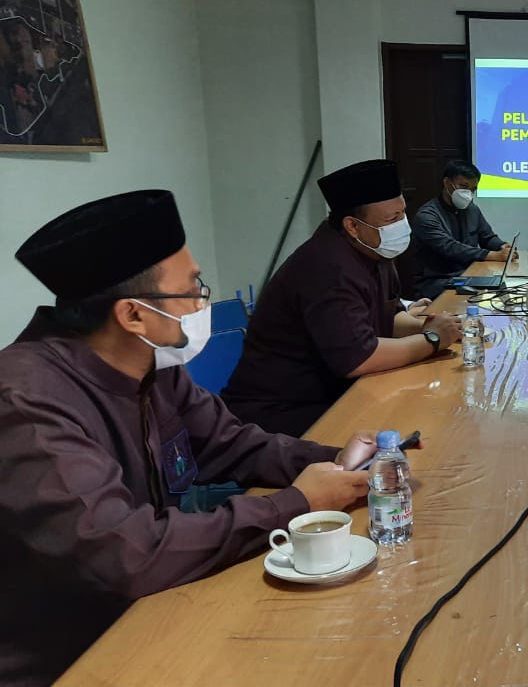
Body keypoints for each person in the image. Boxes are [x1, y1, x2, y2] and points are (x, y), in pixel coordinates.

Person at [0, 190, 377, 686]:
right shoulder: (24, 400)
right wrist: (296, 504)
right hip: (67, 658)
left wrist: (344, 463)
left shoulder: (151, 365)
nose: (203, 301)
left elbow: (232, 443)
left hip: (150, 608)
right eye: (193, 288)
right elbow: (125, 553)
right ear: (132, 315)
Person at [222, 159, 462, 437]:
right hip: (280, 414)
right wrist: (432, 340)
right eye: (391, 219)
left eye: (402, 213)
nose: (402, 225)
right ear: (352, 226)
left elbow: (388, 318)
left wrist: (436, 327)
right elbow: (359, 358)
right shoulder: (327, 266)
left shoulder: (375, 250)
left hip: (335, 395)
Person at [410, 159, 515, 299]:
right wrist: (490, 255)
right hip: (437, 281)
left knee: (503, 290)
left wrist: (502, 247)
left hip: (469, 274)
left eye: (473, 189)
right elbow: (450, 248)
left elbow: (487, 236)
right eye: (464, 187)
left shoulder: (471, 209)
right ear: (447, 183)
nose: (468, 193)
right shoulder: (427, 216)